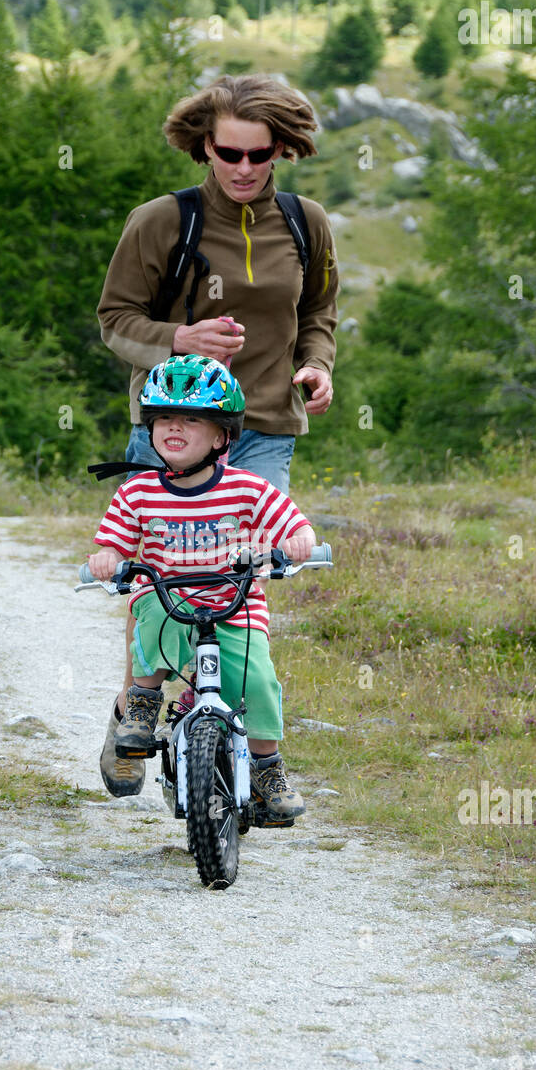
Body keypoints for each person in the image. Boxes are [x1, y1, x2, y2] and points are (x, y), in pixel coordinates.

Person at [95, 72, 338, 795]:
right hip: (173, 426)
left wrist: (317, 366)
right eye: (226, 153)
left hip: (263, 427)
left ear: (281, 151)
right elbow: (115, 320)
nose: (241, 169)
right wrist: (180, 337)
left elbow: (318, 310)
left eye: (257, 155)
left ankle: (251, 758)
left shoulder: (304, 221)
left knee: (243, 580)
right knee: (160, 569)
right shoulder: (162, 221)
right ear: (205, 145)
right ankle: (136, 702)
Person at [88, 355, 316, 819]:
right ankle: (143, 705)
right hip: (169, 601)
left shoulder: (247, 489)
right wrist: (107, 560)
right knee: (149, 610)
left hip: (235, 607)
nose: (175, 427)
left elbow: (294, 524)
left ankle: (267, 769)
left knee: (257, 682)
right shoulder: (138, 492)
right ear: (150, 429)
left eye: (191, 419)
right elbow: (111, 543)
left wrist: (298, 542)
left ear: (220, 436)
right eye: (164, 418)